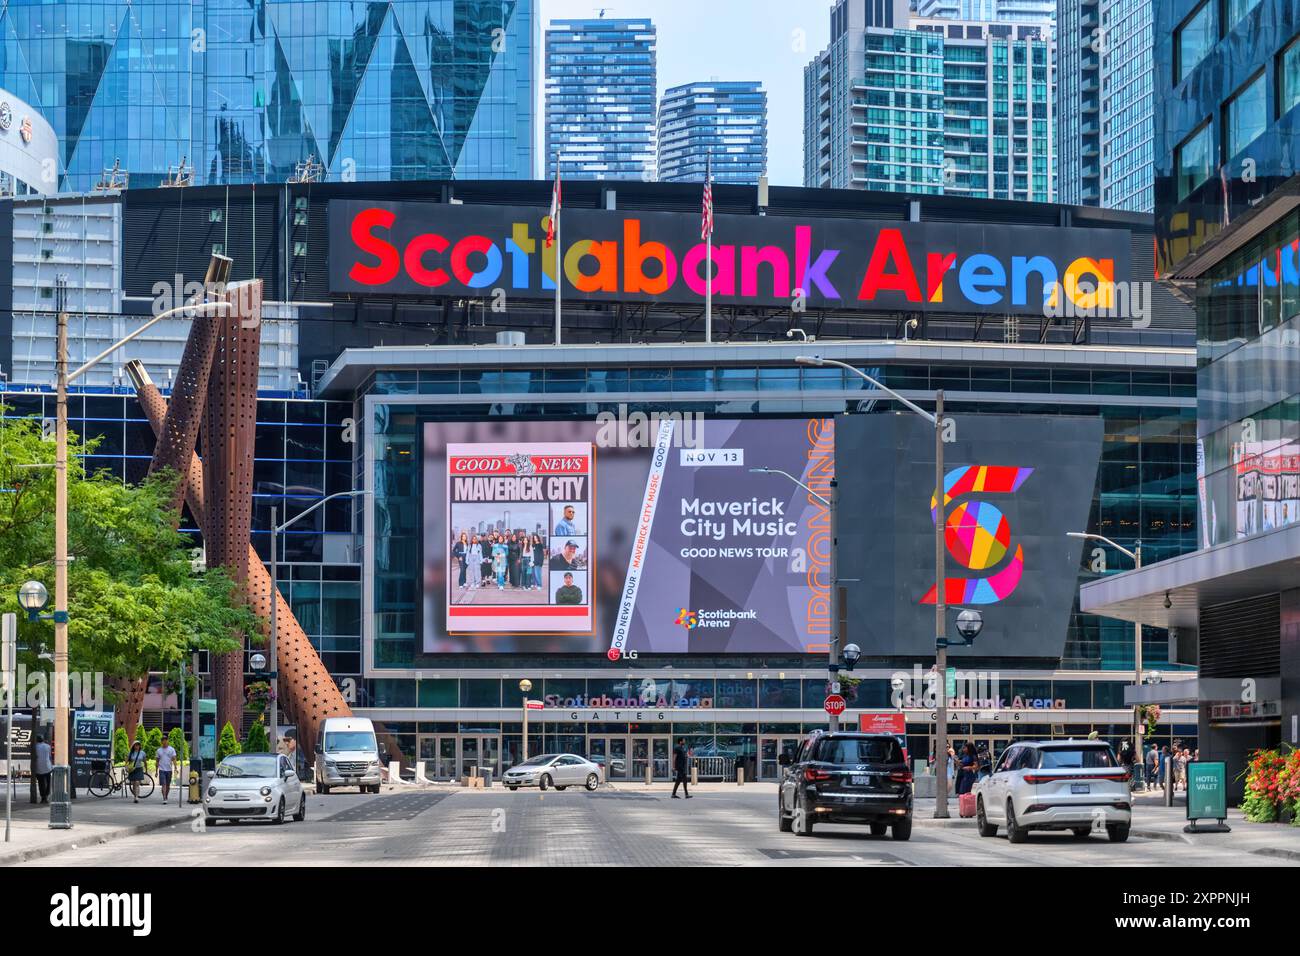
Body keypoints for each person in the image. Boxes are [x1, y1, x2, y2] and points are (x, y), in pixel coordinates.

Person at [156, 735, 178, 804]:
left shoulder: (171, 749)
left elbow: (174, 759)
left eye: (166, 740)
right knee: (164, 784)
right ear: (161, 742)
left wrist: (175, 768)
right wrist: (156, 771)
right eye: (163, 740)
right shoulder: (159, 750)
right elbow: (157, 761)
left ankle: (166, 796)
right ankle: (164, 798)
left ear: (167, 741)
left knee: (168, 785)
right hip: (162, 769)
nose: (164, 741)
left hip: (169, 770)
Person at [32, 734, 53, 803]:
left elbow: (34, 757)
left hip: (38, 768)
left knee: (41, 783)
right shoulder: (48, 746)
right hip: (47, 767)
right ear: (43, 739)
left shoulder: (35, 747)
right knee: (48, 782)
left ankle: (43, 797)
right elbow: (49, 756)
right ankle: (46, 795)